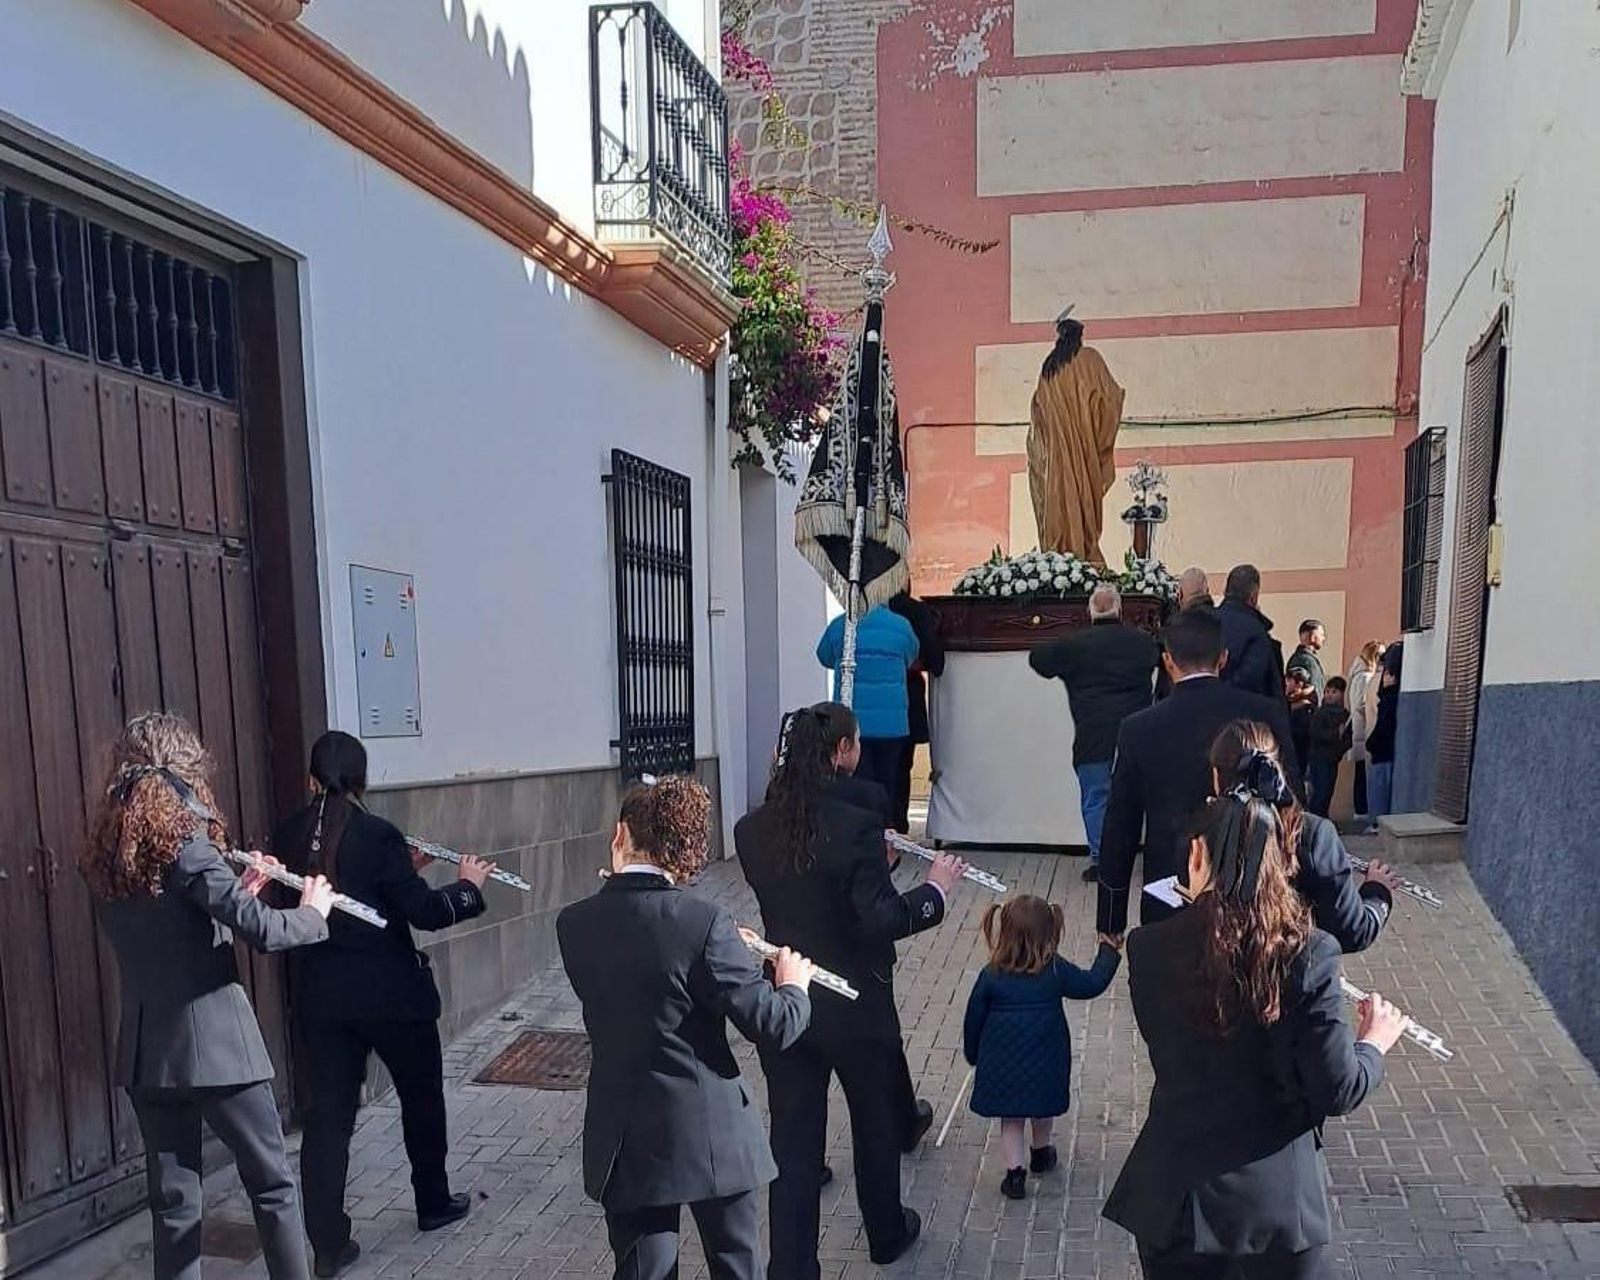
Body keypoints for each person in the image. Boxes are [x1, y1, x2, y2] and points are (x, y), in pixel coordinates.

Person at [1102, 760, 1411, 1279]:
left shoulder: (1148, 947)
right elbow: (1337, 1090)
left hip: (1174, 1198)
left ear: (1198, 855)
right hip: (1276, 1209)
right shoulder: (1310, 955)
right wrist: (1374, 1044)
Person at [83, 713, 335, 1280]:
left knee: (175, 1207)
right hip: (218, 1050)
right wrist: (313, 911)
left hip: (150, 1055)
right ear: (184, 772)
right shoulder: (187, 848)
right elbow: (266, 933)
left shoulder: (107, 858)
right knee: (272, 1186)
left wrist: (241, 889)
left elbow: (175, 929)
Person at [735, 707, 967, 1277]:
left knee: (792, 1143)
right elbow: (877, 919)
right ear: (842, 749)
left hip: (786, 995)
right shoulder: (855, 824)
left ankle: (790, 1267)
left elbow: (808, 884)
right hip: (857, 1000)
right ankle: (885, 1232)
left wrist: (872, 865)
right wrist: (934, 892)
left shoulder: (751, 830)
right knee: (873, 1123)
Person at [559, 776, 815, 1280]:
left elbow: (641, 986)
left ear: (619, 836)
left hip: (627, 1137)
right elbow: (774, 1025)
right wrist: (793, 984)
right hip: (712, 1135)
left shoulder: (573, 922)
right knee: (736, 1267)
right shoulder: (704, 922)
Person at [274, 732, 492, 1277]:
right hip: (393, 997)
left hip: (323, 998)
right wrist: (467, 887)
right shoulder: (377, 833)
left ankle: (328, 1244)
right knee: (421, 1097)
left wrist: (401, 872)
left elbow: (299, 907)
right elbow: (425, 914)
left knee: (328, 1121)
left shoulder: (287, 834)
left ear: (310, 779)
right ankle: (433, 1202)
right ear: (362, 781)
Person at [1096, 608, 1298, 939]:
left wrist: (1110, 919)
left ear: (1167, 661)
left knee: (1171, 986)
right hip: (1253, 895)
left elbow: (1120, 827)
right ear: (1223, 658)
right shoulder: (1265, 714)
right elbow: (1292, 807)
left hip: (1169, 894)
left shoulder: (1138, 728)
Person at [812, 701, 935, 1170]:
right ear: (844, 749)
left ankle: (815, 1156)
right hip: (859, 951)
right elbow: (877, 882)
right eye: (857, 741)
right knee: (882, 1042)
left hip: (800, 949)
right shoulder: (865, 798)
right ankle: (901, 1121)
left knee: (808, 1073)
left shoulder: (780, 802)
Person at [962, 896, 1121, 1200]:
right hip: (1046, 1060)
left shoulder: (991, 974)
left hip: (1002, 1062)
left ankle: (1014, 1174)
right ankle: (1040, 1153)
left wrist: (973, 1052)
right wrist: (1108, 952)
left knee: (1010, 1118)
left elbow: (974, 1018)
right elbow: (1091, 983)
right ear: (1049, 933)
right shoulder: (1054, 970)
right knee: (1041, 1108)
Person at [1209, 721, 1397, 954]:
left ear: (1217, 777)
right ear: (1277, 770)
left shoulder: (1203, 830)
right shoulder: (1315, 834)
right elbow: (1353, 932)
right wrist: (1378, 890)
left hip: (1216, 975)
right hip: (1304, 980)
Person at [1028, 583, 1159, 882]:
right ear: (1120, 609)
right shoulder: (1141, 643)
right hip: (1137, 734)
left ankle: (1104, 862)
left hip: (1092, 735)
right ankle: (1135, 855)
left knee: (1097, 799)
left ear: (1089, 612)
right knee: (1137, 798)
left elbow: (1038, 659)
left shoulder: (1075, 646)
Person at [1025, 309, 1126, 563]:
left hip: (1056, 461)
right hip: (1084, 455)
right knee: (1084, 511)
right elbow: (1109, 399)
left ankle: (1058, 559)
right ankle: (1083, 555)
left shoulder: (1049, 369)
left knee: (1059, 505)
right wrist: (1095, 438)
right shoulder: (1089, 359)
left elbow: (1038, 417)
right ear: (1079, 336)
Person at [815, 602, 918, 795]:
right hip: (891, 724)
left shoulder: (841, 625)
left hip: (850, 723)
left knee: (851, 788)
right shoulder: (901, 625)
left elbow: (824, 656)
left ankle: (857, 823)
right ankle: (886, 822)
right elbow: (911, 655)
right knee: (888, 786)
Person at [888, 591, 945, 833]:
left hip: (861, 706)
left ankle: (871, 830)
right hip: (904, 698)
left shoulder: (858, 609)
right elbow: (935, 661)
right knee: (899, 768)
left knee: (866, 769)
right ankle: (897, 829)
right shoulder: (913, 612)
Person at [1215, 565, 1285, 702]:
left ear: (1225, 591)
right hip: (1244, 716)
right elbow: (1264, 686)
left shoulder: (1205, 623)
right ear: (1253, 596)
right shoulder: (1257, 632)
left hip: (1203, 714)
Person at [1363, 642, 1404, 833]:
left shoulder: (1389, 697)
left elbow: (1383, 724)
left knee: (1379, 787)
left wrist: (1372, 742)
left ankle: (1376, 823)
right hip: (1381, 748)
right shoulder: (1388, 695)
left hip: (1381, 749)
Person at [1346, 641, 1384, 822]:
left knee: (1360, 771)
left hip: (1358, 728)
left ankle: (1360, 809)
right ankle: (1361, 810)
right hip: (1364, 728)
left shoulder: (1357, 675)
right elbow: (1362, 703)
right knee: (1362, 773)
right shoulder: (1366, 677)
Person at [1307, 677, 1353, 819]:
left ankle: (1323, 820)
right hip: (1319, 757)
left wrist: (1340, 749)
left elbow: (1348, 737)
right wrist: (1334, 734)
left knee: (1327, 792)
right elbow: (1314, 733)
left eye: (1334, 692)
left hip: (1332, 758)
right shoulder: (1322, 712)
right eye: (1327, 691)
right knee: (1320, 792)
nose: (1329, 695)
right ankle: (1315, 821)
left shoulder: (1344, 714)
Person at [1285, 670, 1318, 788]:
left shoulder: (1305, 705)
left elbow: (1301, 732)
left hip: (1299, 753)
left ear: (1299, 684)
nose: (1286, 683)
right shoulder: (1289, 701)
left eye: (1289, 681)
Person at [1286, 620, 1328, 699]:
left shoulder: (1308, 658)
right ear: (1312, 636)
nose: (1323, 638)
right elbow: (1294, 692)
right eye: (1321, 635)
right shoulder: (1304, 659)